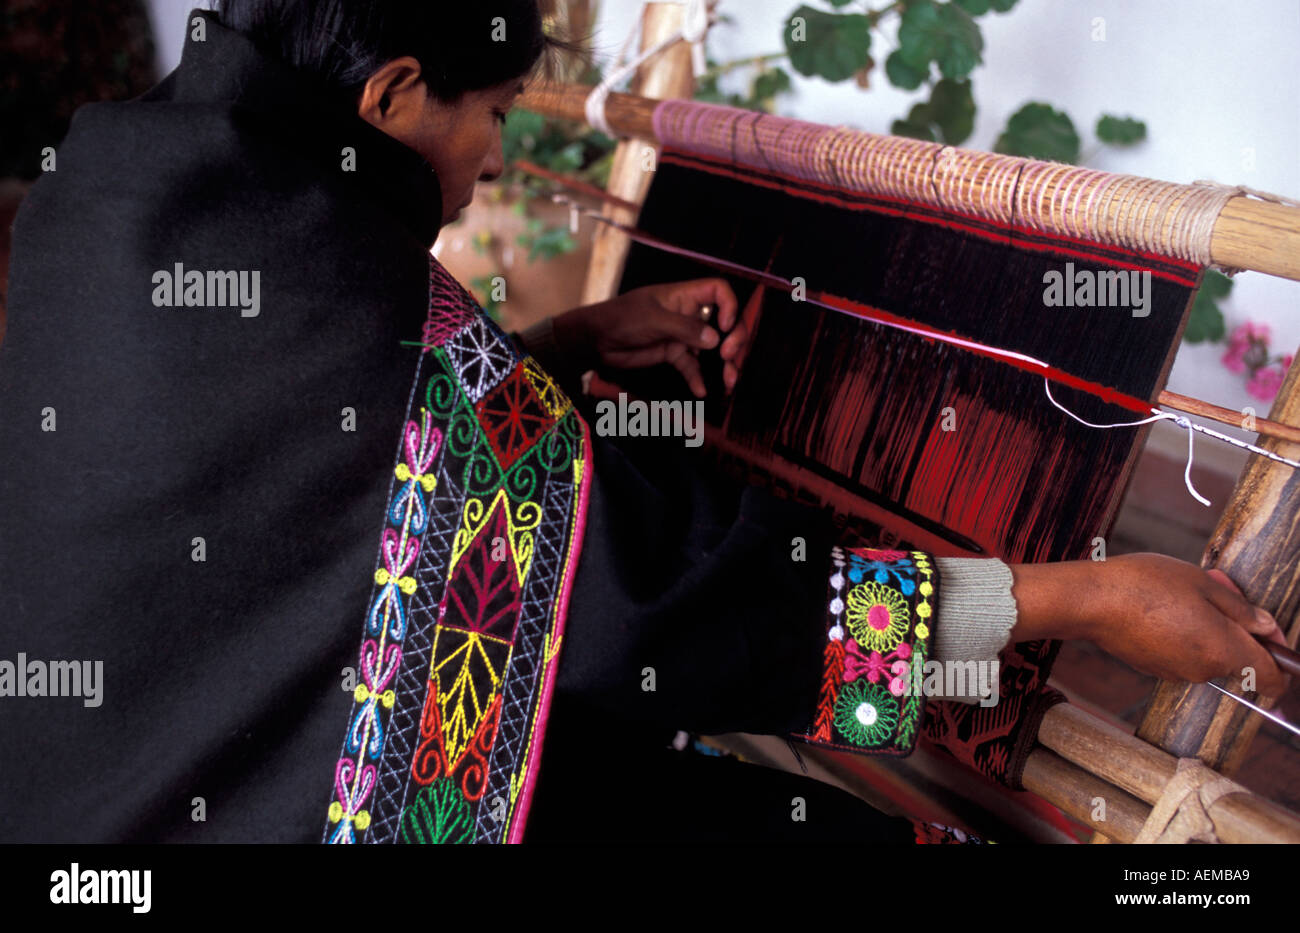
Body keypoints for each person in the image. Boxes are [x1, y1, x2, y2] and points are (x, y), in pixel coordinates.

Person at [0, 0, 1286, 844]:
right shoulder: (341, 289)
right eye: (491, 113)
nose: (496, 156)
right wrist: (1085, 599)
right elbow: (661, 614)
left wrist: (548, 354)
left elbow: (293, 470)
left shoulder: (111, 180)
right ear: (392, 94)